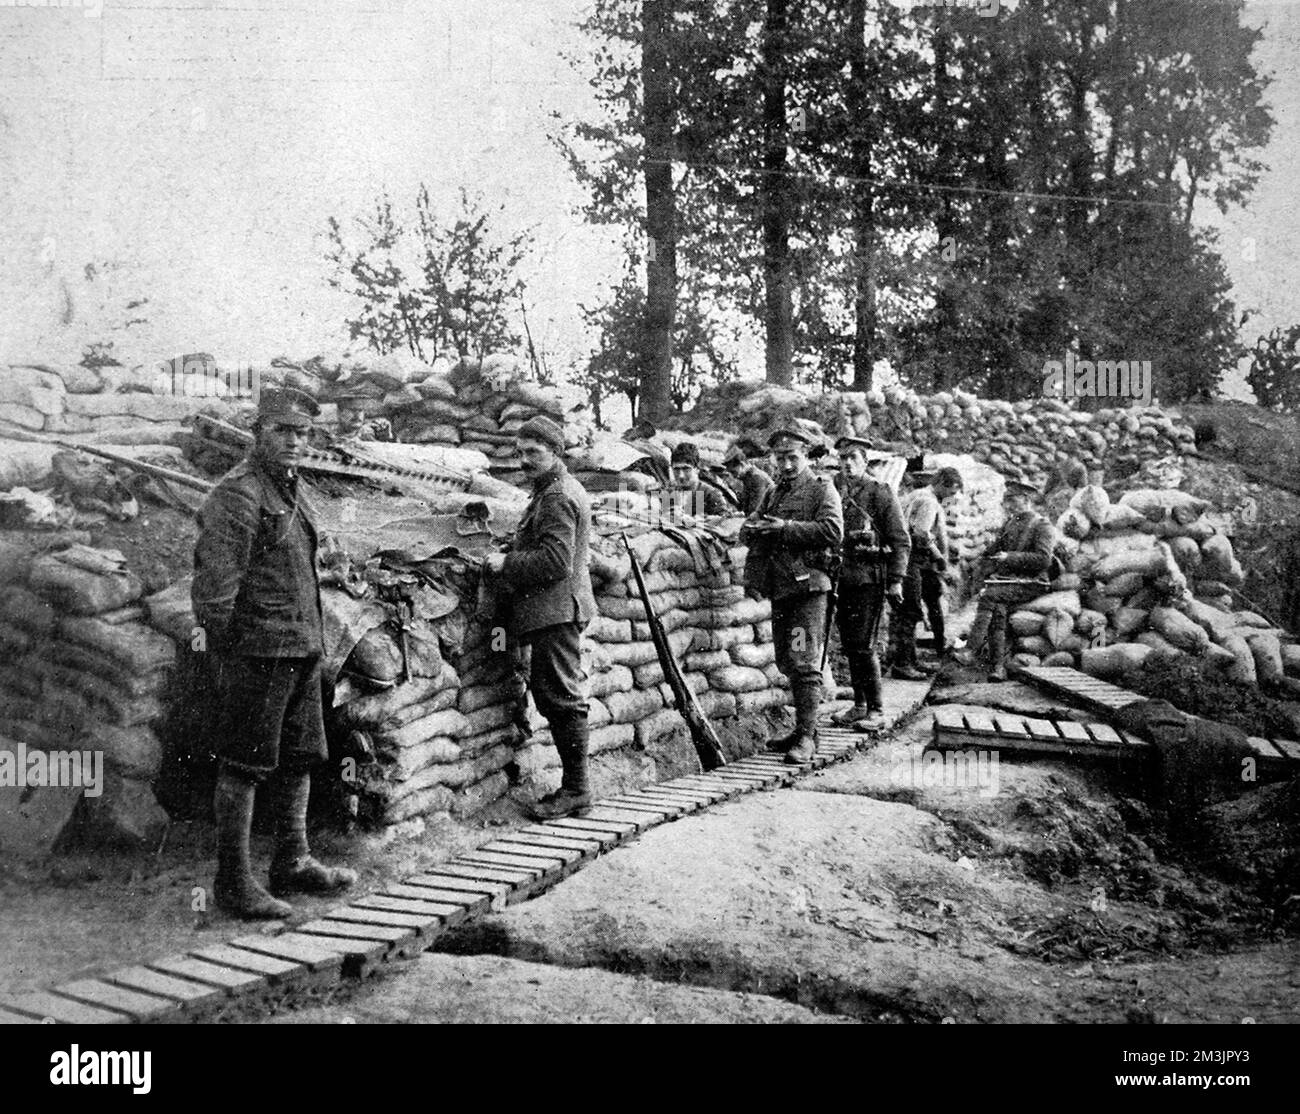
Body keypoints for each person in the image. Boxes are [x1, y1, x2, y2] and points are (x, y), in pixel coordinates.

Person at [192, 386, 357, 920]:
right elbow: (215, 596)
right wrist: (238, 657)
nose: (295, 441)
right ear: (257, 431)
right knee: (244, 765)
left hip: (301, 648)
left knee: (300, 757)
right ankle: (234, 883)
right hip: (259, 656)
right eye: (283, 430)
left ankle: (293, 859)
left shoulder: (287, 490)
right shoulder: (237, 496)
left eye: (304, 432)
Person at [481, 415, 597, 819]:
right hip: (553, 609)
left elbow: (556, 560)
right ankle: (575, 788)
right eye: (520, 452)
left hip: (555, 611)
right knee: (556, 695)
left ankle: (577, 790)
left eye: (534, 452)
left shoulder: (557, 496)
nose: (525, 460)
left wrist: (505, 563)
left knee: (560, 697)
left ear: (556, 452)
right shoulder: (551, 490)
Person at [740, 420, 844, 764]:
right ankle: (804, 731)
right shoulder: (773, 492)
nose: (785, 465)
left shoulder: (821, 489)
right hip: (782, 588)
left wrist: (785, 528)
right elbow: (754, 521)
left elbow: (831, 530)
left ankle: (807, 738)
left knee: (802, 659)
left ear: (806, 457)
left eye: (792, 458)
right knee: (787, 660)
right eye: (780, 458)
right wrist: (751, 527)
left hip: (807, 591)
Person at [830, 437, 909, 730]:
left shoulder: (880, 492)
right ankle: (859, 705)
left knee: (864, 644)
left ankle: (876, 710)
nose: (847, 463)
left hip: (869, 579)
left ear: (865, 461)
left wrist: (896, 581)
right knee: (851, 645)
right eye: (842, 458)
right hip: (841, 579)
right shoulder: (834, 490)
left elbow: (900, 540)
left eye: (853, 457)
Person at [955, 471, 1055, 681]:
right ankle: (998, 667)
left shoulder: (1042, 525)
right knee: (998, 610)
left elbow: (1043, 560)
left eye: (1012, 500)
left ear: (1026, 500)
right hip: (1009, 581)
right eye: (1006, 500)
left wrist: (1010, 557)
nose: (1008, 505)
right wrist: (975, 558)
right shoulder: (1010, 524)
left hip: (1032, 582)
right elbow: (993, 549)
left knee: (989, 596)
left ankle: (972, 650)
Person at [898, 465, 964, 667]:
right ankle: (905, 664)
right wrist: (939, 557)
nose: (951, 497)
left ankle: (927, 652)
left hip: (919, 562)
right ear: (941, 485)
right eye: (951, 492)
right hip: (914, 560)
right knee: (911, 610)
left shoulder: (918, 495)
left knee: (932, 599)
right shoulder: (928, 501)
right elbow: (921, 533)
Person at [666, 440, 733, 519]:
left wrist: (694, 519)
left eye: (686, 469)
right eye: (676, 469)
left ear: (697, 469)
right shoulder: (669, 492)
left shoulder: (711, 494)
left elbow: (726, 520)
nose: (681, 476)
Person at [722, 440, 775, 514]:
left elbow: (755, 509)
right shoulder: (748, 477)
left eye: (734, 472)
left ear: (742, 464)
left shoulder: (757, 478)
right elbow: (745, 503)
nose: (734, 476)